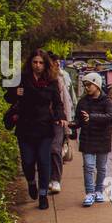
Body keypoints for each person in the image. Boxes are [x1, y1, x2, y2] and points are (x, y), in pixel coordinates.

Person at [4, 49, 67, 210]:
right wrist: (15, 92)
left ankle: (43, 194)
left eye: (40, 63)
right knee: (27, 160)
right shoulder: (22, 79)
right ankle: (32, 182)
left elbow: (58, 102)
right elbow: (8, 98)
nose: (37, 66)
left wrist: (61, 117)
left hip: (45, 127)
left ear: (45, 64)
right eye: (35, 62)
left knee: (44, 161)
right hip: (25, 127)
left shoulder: (51, 81)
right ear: (30, 63)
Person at [72, 72, 112, 207]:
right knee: (88, 166)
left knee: (101, 167)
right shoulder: (82, 102)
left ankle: (99, 190)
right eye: (85, 85)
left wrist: (92, 117)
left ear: (97, 84)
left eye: (89, 85)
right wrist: (71, 124)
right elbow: (78, 120)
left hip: (102, 139)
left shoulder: (107, 101)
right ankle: (89, 193)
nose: (87, 88)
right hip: (87, 138)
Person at [47, 53, 77, 193]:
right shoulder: (34, 79)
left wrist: (68, 123)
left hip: (57, 120)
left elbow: (66, 101)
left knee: (55, 149)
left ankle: (55, 179)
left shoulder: (60, 79)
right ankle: (46, 178)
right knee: (43, 151)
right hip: (40, 121)